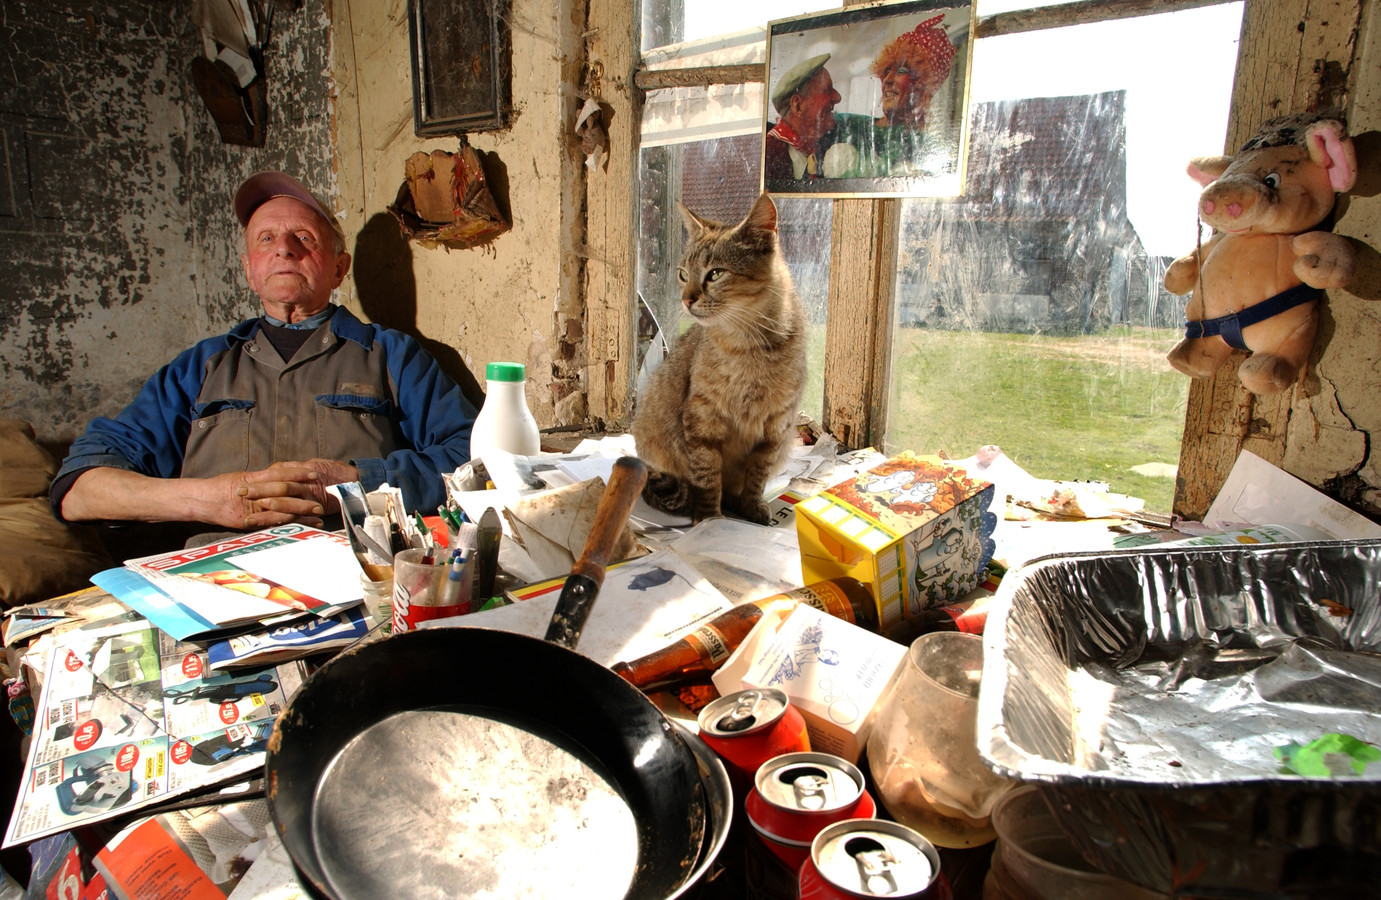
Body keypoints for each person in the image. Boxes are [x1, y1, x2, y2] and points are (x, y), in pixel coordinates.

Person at [50, 171, 477, 541]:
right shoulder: (199, 367)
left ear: (338, 268)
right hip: (214, 591)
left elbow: (476, 458)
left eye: (304, 239)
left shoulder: (391, 355)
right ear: (249, 269)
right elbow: (78, 489)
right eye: (266, 239)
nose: (285, 249)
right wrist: (211, 500)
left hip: (352, 582)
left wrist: (353, 484)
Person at [825, 15, 959, 179]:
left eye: (901, 71)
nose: (887, 80)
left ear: (921, 85)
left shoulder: (926, 148)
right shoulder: (846, 125)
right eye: (886, 70)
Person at [764, 53, 843, 182]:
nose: (837, 97)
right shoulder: (770, 154)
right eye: (827, 90)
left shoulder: (830, 141)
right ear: (798, 105)